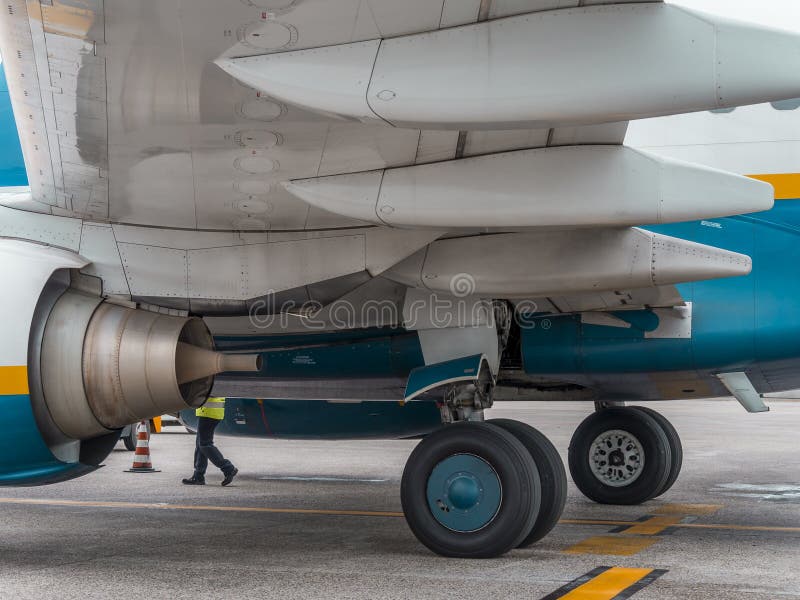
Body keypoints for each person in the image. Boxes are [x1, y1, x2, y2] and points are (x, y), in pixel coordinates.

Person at [182, 397, 238, 486]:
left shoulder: (208, 382)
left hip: (209, 413)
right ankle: (198, 476)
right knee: (200, 443)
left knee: (205, 444)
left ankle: (228, 468)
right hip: (210, 412)